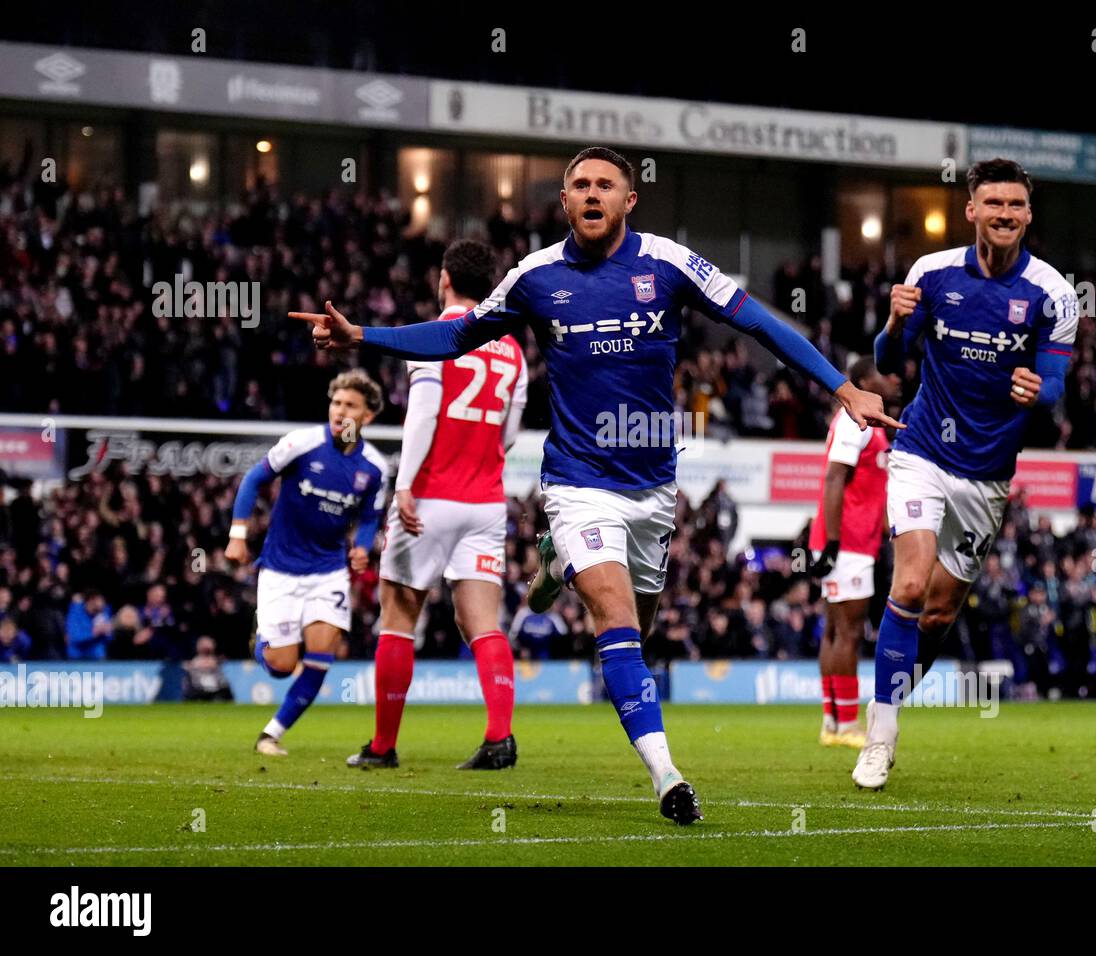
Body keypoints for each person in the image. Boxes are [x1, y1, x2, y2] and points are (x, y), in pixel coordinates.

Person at [294, 145, 901, 825]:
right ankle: (667, 774)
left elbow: (758, 322)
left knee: (635, 629)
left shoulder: (668, 264)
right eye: (578, 185)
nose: (591, 194)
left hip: (651, 489)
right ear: (564, 201)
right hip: (577, 482)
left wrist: (844, 387)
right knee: (613, 620)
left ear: (627, 200)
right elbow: (456, 336)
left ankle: (556, 562)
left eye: (605, 185)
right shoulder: (534, 276)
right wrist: (364, 336)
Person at [856, 158, 1078, 790]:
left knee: (940, 612)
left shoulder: (1053, 293)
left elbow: (1057, 382)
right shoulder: (932, 273)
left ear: (1028, 214)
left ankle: (891, 702)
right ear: (971, 210)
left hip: (987, 474)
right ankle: (881, 733)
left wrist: (1040, 391)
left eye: (1016, 205)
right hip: (923, 450)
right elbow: (890, 364)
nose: (1005, 214)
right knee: (910, 584)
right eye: (993, 203)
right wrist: (896, 322)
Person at [346, 239, 528, 772]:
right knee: (483, 624)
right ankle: (499, 738)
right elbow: (509, 433)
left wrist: (404, 483)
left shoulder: (437, 335)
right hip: (485, 502)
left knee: (399, 618)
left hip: (429, 496)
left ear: (444, 279)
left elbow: (422, 413)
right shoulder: (511, 347)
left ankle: (383, 746)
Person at [225, 370, 389, 756]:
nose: (340, 411)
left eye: (350, 405)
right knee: (282, 665)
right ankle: (261, 639)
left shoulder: (375, 468)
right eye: (336, 403)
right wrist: (237, 534)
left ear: (368, 416)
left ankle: (271, 734)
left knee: (321, 656)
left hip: (328, 571)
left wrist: (363, 547)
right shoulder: (302, 443)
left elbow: (368, 517)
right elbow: (253, 479)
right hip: (280, 568)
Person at [808, 357, 898, 748]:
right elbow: (834, 478)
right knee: (848, 632)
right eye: (884, 374)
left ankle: (831, 721)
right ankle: (845, 724)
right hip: (847, 543)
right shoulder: (853, 421)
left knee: (834, 630)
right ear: (862, 382)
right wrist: (831, 542)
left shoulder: (870, 426)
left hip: (849, 541)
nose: (893, 379)